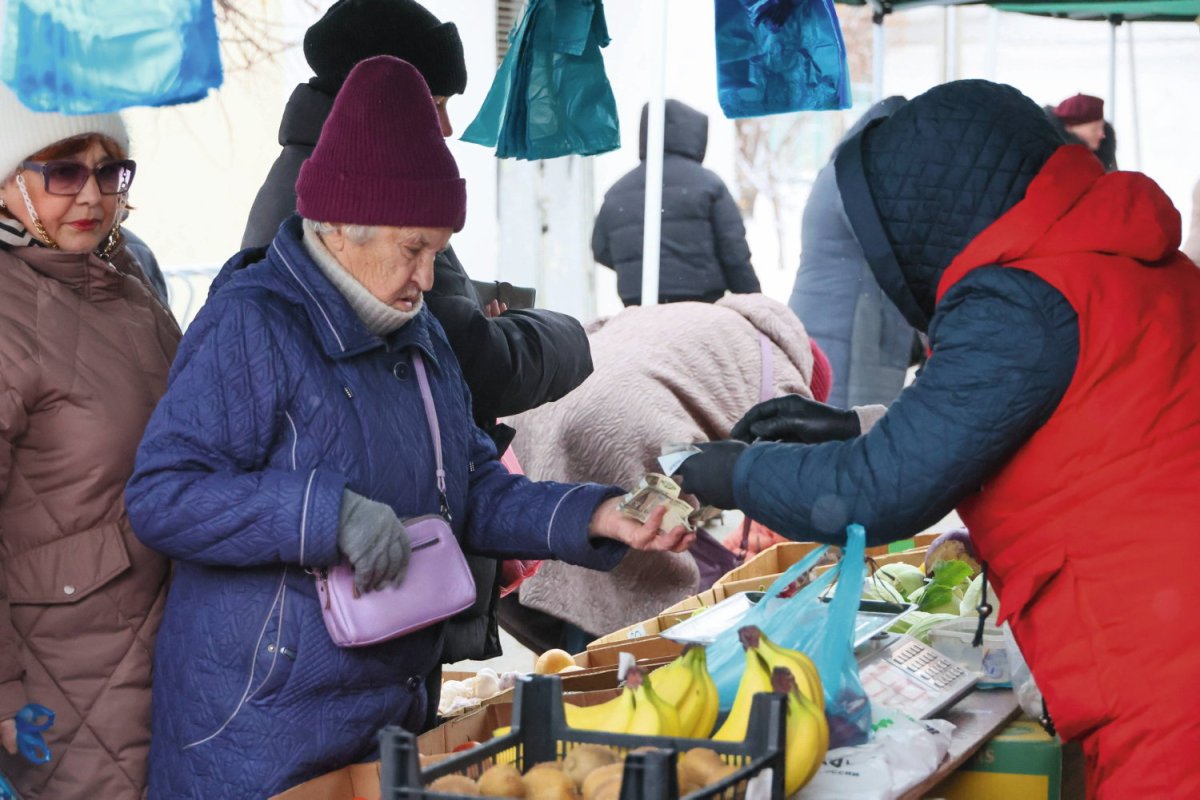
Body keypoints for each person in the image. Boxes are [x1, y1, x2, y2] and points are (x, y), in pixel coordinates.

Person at [124, 57, 693, 799]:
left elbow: (474, 490)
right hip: (261, 728)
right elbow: (164, 496)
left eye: (437, 250)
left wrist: (599, 512)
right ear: (341, 229)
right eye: (413, 249)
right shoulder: (250, 323)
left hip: (392, 708)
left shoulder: (417, 334)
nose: (427, 278)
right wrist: (326, 515)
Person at [676, 80, 1200, 798]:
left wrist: (734, 473)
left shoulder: (1022, 300)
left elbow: (880, 490)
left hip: (1165, 670)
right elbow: (1038, 418)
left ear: (929, 218)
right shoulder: (1105, 261)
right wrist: (851, 423)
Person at [240, 0, 595, 668]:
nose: (449, 125)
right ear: (373, 103)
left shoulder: (329, 192)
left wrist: (594, 517)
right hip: (355, 596)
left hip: (380, 570)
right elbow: (470, 356)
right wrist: (569, 337)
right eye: (434, 101)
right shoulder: (321, 226)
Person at [0, 86, 180, 800]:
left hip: (167, 642)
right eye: (63, 170)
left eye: (110, 171)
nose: (92, 194)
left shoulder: (127, 283)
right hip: (58, 674)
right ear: (9, 179)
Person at [499, 294, 831, 652]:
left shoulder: (686, 313)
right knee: (625, 598)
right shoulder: (785, 382)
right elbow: (778, 481)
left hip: (528, 412)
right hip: (618, 427)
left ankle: (573, 679)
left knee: (565, 564)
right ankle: (611, 683)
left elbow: (592, 329)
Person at [789, 95, 922, 409]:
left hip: (832, 318)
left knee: (830, 425)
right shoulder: (859, 178)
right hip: (843, 327)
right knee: (842, 428)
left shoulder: (844, 168)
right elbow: (897, 246)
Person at [592, 99, 762, 306]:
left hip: (638, 309)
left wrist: (635, 269)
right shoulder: (709, 184)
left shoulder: (616, 192)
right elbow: (734, 252)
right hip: (699, 305)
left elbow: (600, 249)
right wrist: (754, 300)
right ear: (695, 136)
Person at [1045, 92, 1117, 171]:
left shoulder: (1105, 156)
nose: (1102, 135)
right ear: (1070, 128)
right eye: (1094, 129)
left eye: (1102, 127)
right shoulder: (1049, 163)